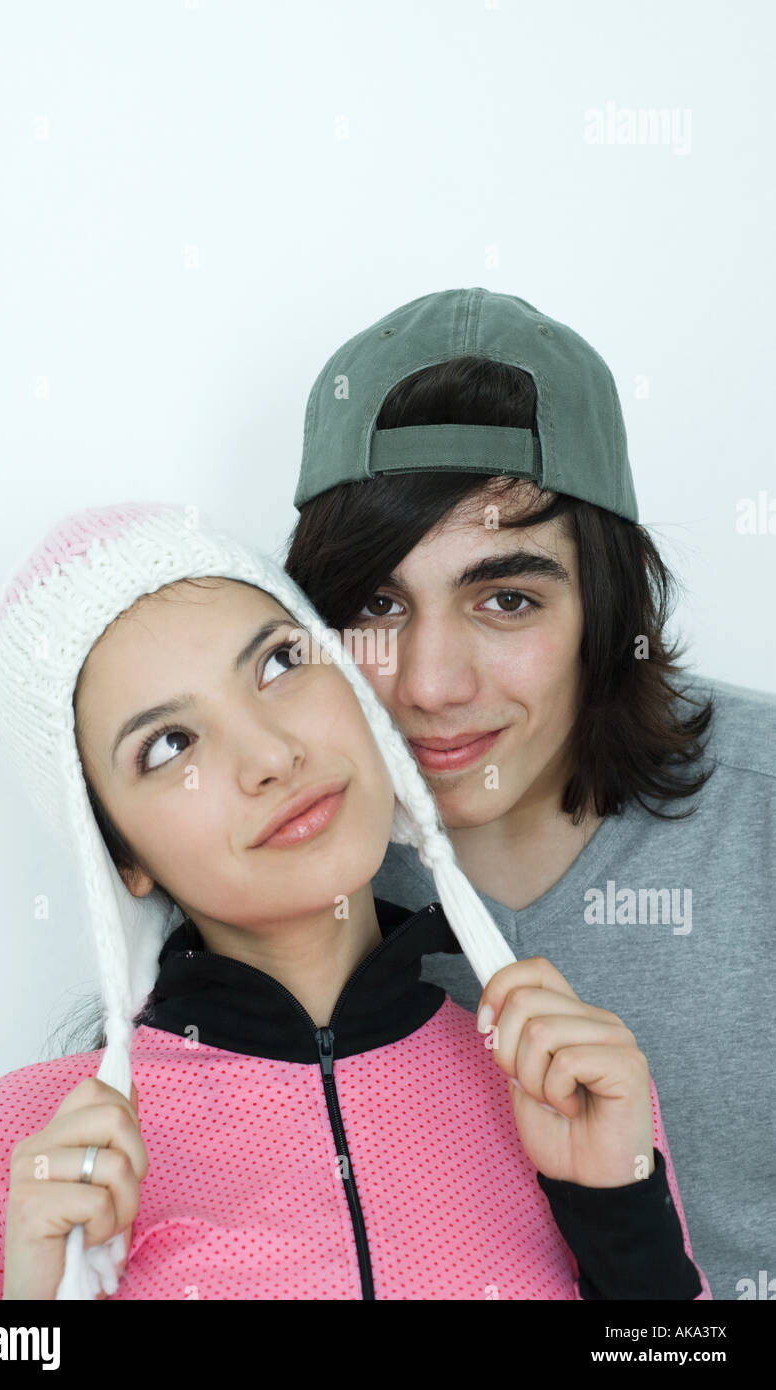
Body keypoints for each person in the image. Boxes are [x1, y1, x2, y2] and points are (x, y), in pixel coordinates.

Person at [0, 502, 708, 1301]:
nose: (269, 755)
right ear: (119, 857)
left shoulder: (558, 1085)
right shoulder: (12, 1156)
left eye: (279, 665)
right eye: (169, 745)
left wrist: (621, 1220)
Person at [284, 286, 776, 1301]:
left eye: (506, 598)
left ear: (607, 605)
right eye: (377, 602)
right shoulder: (284, 848)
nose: (431, 683)